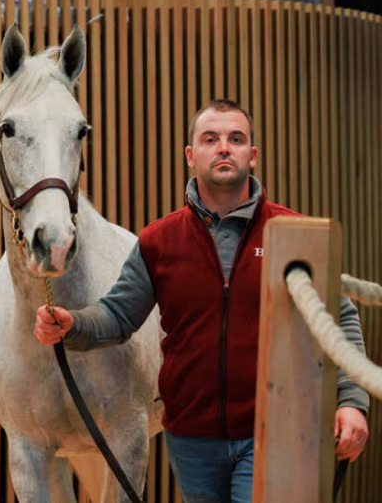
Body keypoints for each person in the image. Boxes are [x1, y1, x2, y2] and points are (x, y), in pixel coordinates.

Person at [33, 99, 370, 503]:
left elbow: (340, 322)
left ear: (253, 156)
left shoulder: (295, 233)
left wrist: (352, 403)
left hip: (271, 431)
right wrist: (74, 325)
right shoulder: (159, 241)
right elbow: (119, 315)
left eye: (236, 138)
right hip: (190, 439)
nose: (224, 147)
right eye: (211, 139)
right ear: (192, 156)